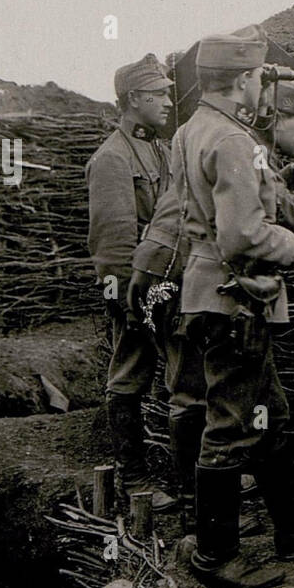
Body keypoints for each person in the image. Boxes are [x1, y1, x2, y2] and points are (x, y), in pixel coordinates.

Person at [144, 28, 294, 588]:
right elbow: (242, 236)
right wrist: (292, 247)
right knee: (232, 426)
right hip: (234, 300)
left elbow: (226, 205)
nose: (266, 88)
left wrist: (292, 186)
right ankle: (216, 555)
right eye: (262, 78)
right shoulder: (234, 139)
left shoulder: (195, 129)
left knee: (271, 417)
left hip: (212, 295)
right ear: (243, 79)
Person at [86, 53, 183, 511]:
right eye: (157, 94)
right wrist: (127, 298)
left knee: (187, 376)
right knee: (130, 375)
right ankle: (135, 479)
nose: (167, 100)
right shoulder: (111, 158)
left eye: (166, 91)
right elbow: (112, 239)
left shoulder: (160, 147)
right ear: (132, 100)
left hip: (167, 281)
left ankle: (195, 478)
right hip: (135, 288)